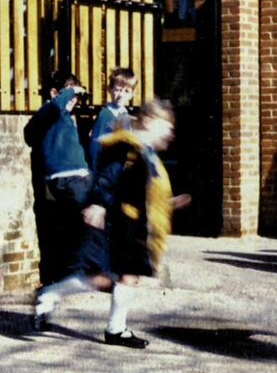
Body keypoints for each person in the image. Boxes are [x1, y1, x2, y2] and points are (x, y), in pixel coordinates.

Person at [33, 99, 190, 346]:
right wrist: (99, 203)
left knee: (120, 278)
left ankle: (105, 322)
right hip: (118, 223)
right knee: (109, 278)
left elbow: (142, 191)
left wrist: (167, 203)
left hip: (130, 223)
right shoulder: (127, 147)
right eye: (165, 126)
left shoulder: (146, 153)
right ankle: (61, 299)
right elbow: (108, 178)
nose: (169, 133)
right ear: (148, 122)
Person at [24, 72, 89, 288]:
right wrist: (69, 92)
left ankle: (81, 270)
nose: (73, 101)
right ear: (55, 93)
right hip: (63, 181)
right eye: (69, 95)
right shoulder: (50, 112)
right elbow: (33, 129)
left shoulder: (67, 118)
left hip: (79, 176)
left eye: (74, 97)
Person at [87, 67, 137, 170]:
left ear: (131, 95)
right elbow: (95, 147)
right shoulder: (105, 115)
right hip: (104, 170)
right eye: (118, 90)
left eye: (126, 91)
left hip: (119, 170)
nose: (121, 95)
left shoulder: (125, 115)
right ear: (110, 89)